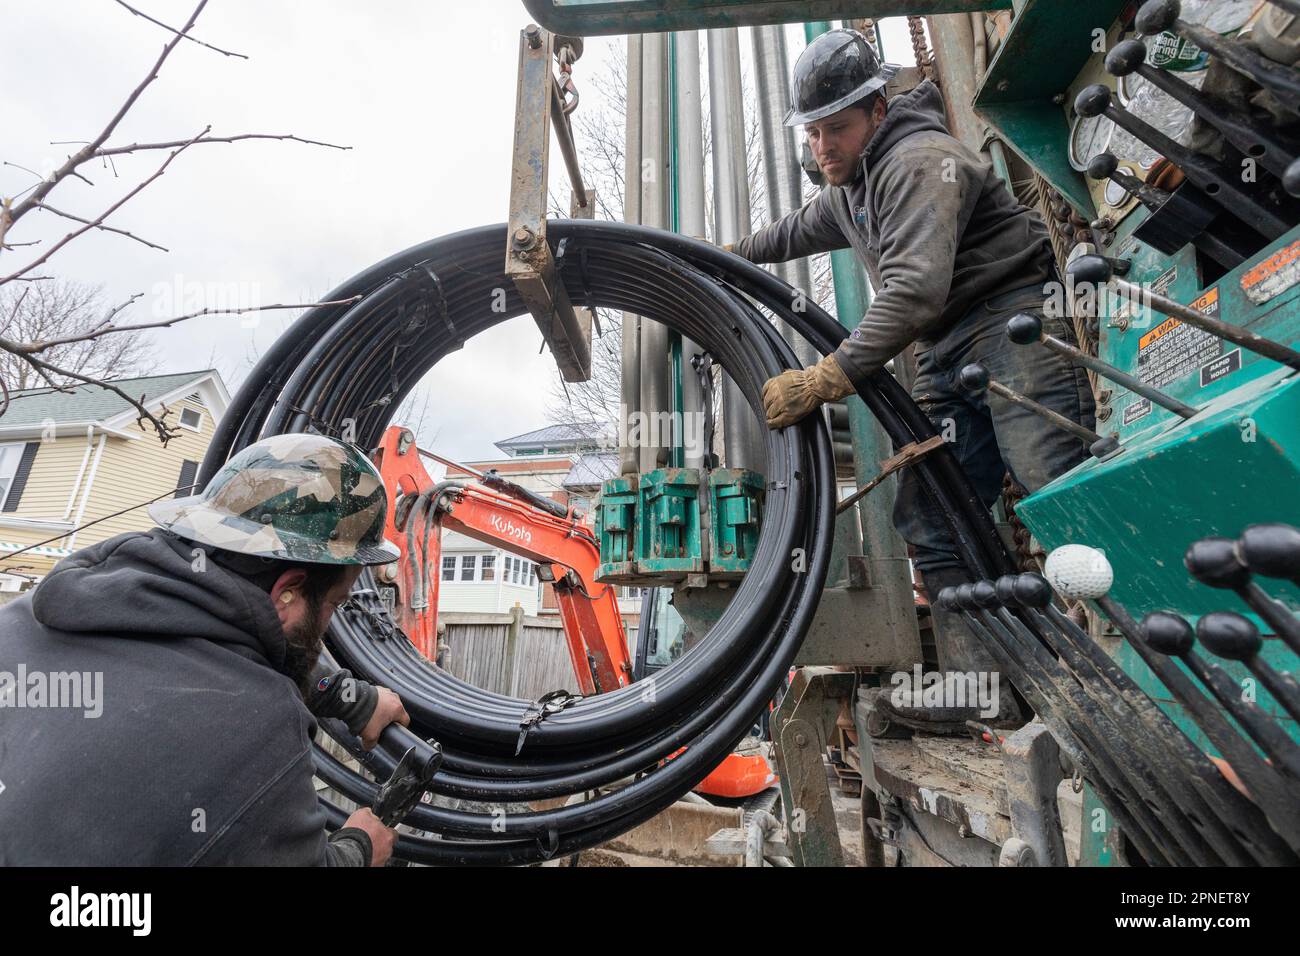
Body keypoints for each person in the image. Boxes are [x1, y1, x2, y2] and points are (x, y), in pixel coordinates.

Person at [731, 30, 1096, 722]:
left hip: (1011, 316)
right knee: (932, 516)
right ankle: (985, 692)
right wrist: (720, 255)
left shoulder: (919, 161)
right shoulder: (851, 186)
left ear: (875, 109)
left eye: (836, 129)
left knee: (1054, 482)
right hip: (945, 344)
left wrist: (827, 376)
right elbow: (789, 234)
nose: (823, 148)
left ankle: (1127, 673)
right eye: (812, 134)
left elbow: (914, 291)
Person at [0, 432, 410, 865]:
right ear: (287, 593)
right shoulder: (261, 731)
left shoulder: (21, 621)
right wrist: (360, 847)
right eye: (334, 604)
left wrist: (353, 699)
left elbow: (217, 655)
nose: (331, 620)